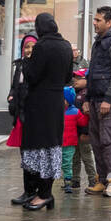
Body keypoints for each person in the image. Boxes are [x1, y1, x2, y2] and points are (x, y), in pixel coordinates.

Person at [15, 13, 72, 210]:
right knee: (51, 146)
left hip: (40, 103)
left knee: (38, 147)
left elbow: (32, 75)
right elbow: (67, 77)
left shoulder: (42, 46)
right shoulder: (65, 45)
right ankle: (45, 193)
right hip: (56, 102)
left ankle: (44, 194)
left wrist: (28, 62)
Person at [85, 6, 111, 197]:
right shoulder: (98, 42)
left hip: (108, 100)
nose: (94, 23)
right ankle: (102, 179)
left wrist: (108, 99)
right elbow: (92, 73)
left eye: (98, 20)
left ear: (109, 22)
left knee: (108, 141)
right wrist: (87, 98)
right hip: (95, 99)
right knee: (96, 141)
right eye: (94, 20)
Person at [60, 85, 90, 193]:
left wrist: (87, 114)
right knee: (61, 163)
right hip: (58, 143)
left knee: (67, 163)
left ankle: (68, 182)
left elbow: (83, 122)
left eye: (61, 98)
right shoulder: (56, 111)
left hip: (69, 143)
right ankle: (66, 181)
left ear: (67, 100)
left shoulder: (75, 112)